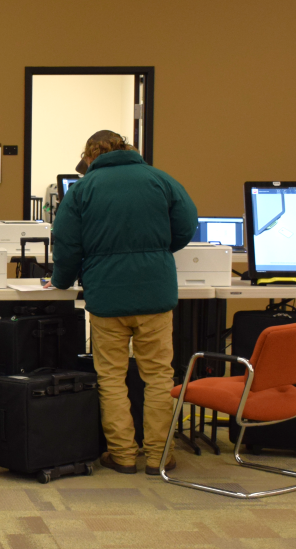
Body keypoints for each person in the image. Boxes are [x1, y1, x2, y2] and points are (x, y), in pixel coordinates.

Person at [46, 130, 198, 475]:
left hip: (107, 294)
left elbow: (66, 242)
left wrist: (61, 280)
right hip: (155, 293)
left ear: (89, 156)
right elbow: (187, 224)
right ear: (128, 148)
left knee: (111, 377)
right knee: (158, 377)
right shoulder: (160, 179)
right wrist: (158, 250)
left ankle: (123, 454)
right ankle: (160, 456)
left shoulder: (83, 188)